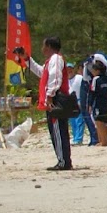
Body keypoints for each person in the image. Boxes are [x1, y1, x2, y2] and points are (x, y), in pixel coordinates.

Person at [19, 36, 71, 170]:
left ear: (48, 46)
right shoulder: (51, 61)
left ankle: (63, 161)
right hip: (55, 98)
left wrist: (49, 96)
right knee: (57, 130)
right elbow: (42, 73)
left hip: (56, 99)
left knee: (58, 130)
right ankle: (63, 159)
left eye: (44, 46)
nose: (42, 49)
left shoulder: (56, 59)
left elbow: (55, 78)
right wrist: (26, 59)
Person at [87, 59, 107, 147]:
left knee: (99, 121)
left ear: (97, 71)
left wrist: (90, 105)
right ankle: (106, 141)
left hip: (99, 103)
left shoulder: (96, 79)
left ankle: (103, 142)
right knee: (106, 121)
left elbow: (92, 93)